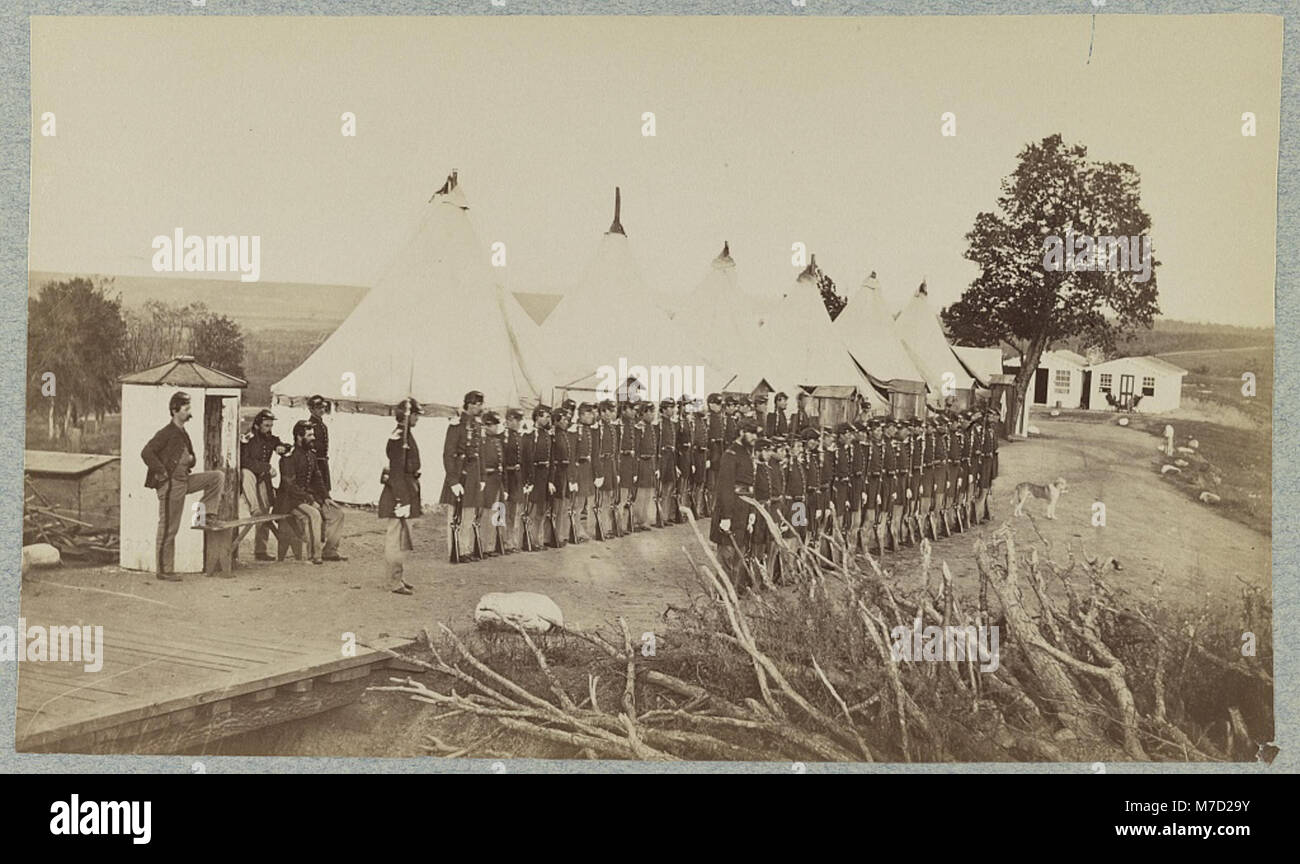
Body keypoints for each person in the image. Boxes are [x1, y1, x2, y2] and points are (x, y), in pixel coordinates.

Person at [141, 391, 226, 580]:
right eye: (186, 409)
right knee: (169, 528)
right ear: (174, 410)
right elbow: (146, 452)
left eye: (189, 408)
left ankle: (204, 516)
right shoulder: (166, 432)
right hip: (171, 485)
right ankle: (164, 570)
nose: (189, 412)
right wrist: (162, 473)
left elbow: (191, 458)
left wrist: (191, 459)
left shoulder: (182, 432)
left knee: (217, 477)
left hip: (184, 480)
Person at [275, 420, 346, 564]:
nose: (313, 438)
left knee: (337, 513)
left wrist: (326, 497)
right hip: (290, 500)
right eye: (309, 435)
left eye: (313, 434)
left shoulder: (311, 455)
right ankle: (314, 555)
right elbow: (290, 487)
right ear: (299, 437)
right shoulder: (289, 457)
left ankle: (329, 551)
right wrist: (310, 500)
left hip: (306, 497)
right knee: (314, 515)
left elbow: (318, 479)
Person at [710, 419, 759, 592]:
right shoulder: (730, 454)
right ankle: (722, 593)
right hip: (731, 509)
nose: (755, 437)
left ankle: (734, 589)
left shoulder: (746, 453)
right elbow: (725, 488)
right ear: (741, 432)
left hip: (744, 509)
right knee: (727, 553)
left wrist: (752, 511)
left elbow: (750, 485)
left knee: (740, 551)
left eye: (756, 433)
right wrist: (726, 517)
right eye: (751, 432)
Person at [379, 398, 421, 594]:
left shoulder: (406, 435)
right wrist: (401, 500)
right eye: (415, 415)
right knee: (395, 540)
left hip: (406, 489)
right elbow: (396, 471)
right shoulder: (399, 438)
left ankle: (398, 576)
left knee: (402, 539)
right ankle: (392, 581)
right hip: (399, 493)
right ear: (407, 415)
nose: (417, 418)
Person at [239, 408, 289, 561]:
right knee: (246, 473)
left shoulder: (270, 439)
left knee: (265, 510)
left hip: (262, 479)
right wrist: (266, 467)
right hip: (249, 476)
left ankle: (261, 550)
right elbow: (244, 460)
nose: (269, 429)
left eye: (270, 426)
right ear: (257, 425)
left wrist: (282, 448)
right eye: (266, 425)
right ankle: (254, 509)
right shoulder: (248, 438)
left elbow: (282, 445)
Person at [440, 390, 485, 561]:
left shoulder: (477, 426)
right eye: (479, 404)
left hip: (473, 476)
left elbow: (479, 454)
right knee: (455, 516)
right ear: (471, 404)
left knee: (469, 514)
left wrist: (482, 478)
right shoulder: (456, 425)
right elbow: (448, 454)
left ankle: (466, 550)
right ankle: (455, 550)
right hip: (459, 475)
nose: (481, 407)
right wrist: (453, 481)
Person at [520, 405, 555, 549]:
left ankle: (538, 540)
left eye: (548, 417)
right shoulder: (529, 436)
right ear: (536, 417)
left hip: (544, 476)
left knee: (541, 510)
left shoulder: (547, 436)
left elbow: (551, 460)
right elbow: (526, 459)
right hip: (534, 475)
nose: (547, 419)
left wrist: (551, 480)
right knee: (531, 510)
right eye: (544, 416)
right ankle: (527, 540)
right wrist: (528, 480)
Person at [632, 401, 658, 530]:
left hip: (650, 463)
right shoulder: (639, 428)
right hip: (642, 463)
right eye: (651, 412)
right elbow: (636, 449)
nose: (653, 415)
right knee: (641, 494)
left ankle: (644, 520)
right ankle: (636, 520)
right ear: (644, 413)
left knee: (649, 493)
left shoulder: (651, 427)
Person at [502, 408, 525, 551]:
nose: (517, 423)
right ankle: (501, 541)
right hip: (506, 477)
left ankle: (512, 541)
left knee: (514, 511)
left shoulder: (519, 437)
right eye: (515, 420)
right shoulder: (503, 437)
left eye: (518, 420)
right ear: (508, 420)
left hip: (516, 477)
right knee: (502, 510)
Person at [305, 395, 332, 493]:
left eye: (323, 407)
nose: (322, 410)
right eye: (318, 408)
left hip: (322, 461)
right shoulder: (309, 425)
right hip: (314, 462)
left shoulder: (323, 425)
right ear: (311, 409)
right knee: (315, 489)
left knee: (324, 489)